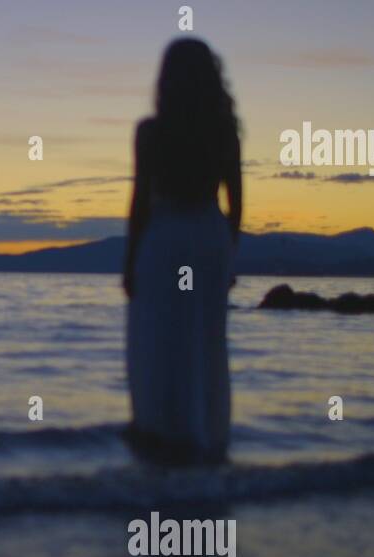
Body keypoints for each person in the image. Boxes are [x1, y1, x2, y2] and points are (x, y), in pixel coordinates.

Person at [123, 37, 242, 464]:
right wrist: (229, 254)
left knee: (157, 338)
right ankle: (204, 437)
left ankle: (161, 434)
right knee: (205, 341)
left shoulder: (151, 132)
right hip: (210, 239)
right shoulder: (224, 132)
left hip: (166, 239)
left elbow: (139, 202)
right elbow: (237, 203)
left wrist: (130, 262)